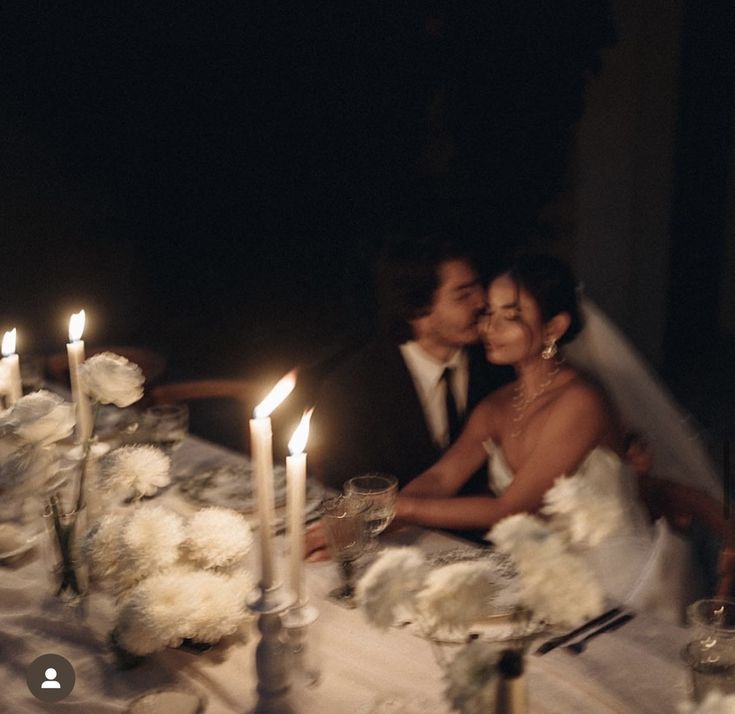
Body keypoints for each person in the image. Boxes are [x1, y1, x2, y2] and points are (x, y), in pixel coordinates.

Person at [309, 236, 512, 493]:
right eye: (463, 295)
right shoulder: (354, 386)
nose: (483, 302)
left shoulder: (500, 363)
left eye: (479, 287)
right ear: (417, 311)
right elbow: (347, 486)